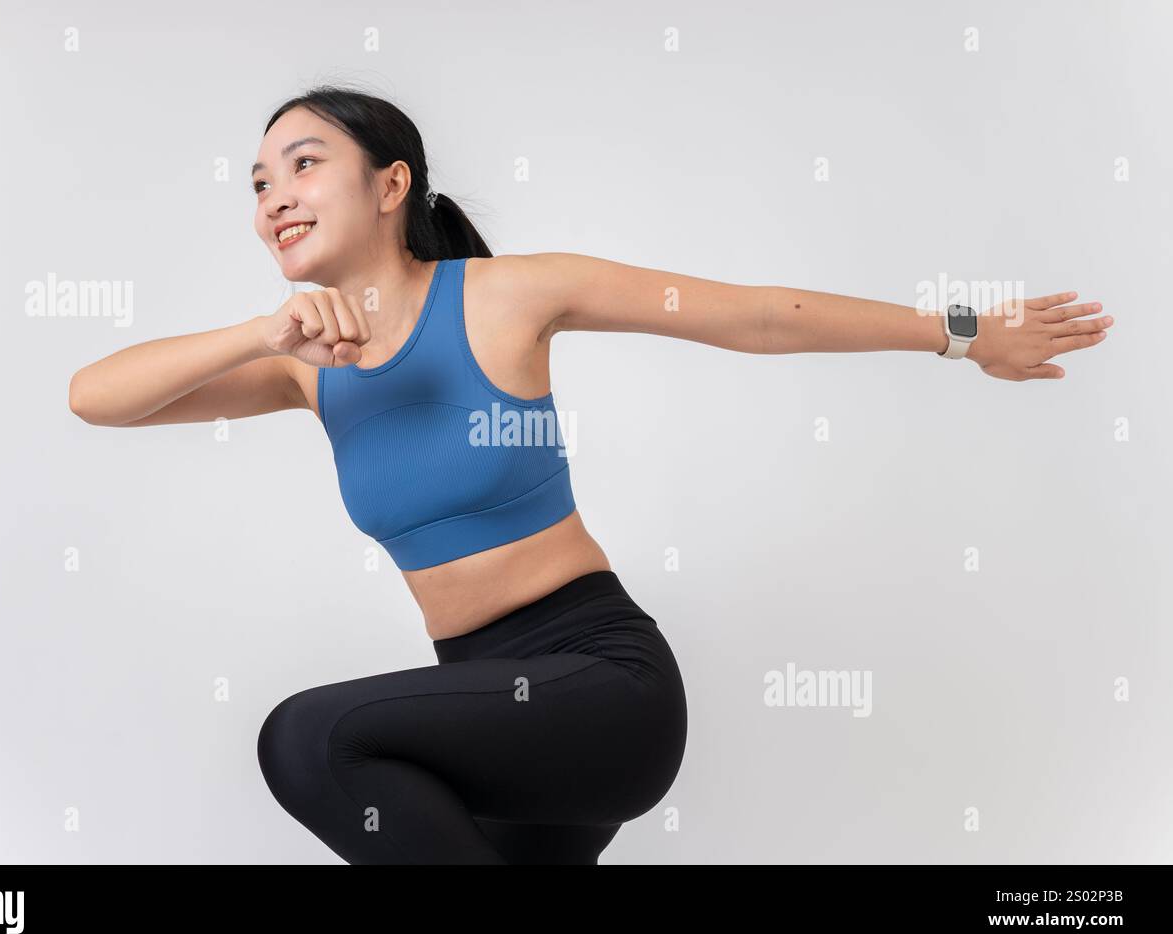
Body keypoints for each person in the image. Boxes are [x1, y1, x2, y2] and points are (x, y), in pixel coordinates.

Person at [68, 85, 1114, 864]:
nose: (273, 199)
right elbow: (95, 395)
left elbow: (747, 315)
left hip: (599, 688)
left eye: (302, 165)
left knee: (304, 739)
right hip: (486, 715)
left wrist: (961, 333)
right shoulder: (305, 369)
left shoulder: (505, 296)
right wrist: (261, 332)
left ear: (391, 186)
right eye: (257, 184)